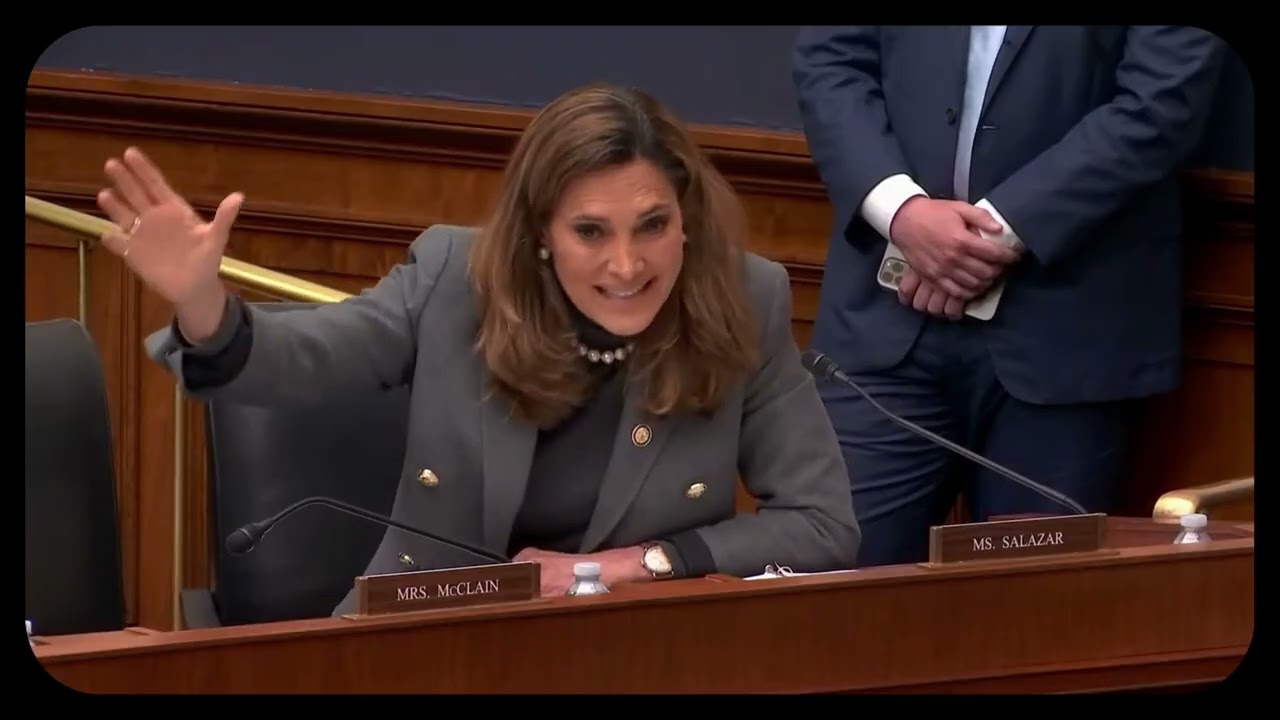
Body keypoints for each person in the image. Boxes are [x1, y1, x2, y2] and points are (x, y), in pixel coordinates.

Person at [93, 83, 861, 609]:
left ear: (685, 221)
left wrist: (635, 566)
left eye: (652, 226)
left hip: (633, 653)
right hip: (431, 643)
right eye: (590, 231)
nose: (628, 265)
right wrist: (203, 304)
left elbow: (823, 524)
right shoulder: (455, 278)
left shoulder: (742, 296)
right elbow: (311, 358)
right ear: (540, 234)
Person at [791, 26, 1227, 566]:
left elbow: (1162, 100)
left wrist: (985, 240)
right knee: (825, 592)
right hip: (885, 328)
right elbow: (830, 59)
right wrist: (901, 213)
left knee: (1028, 613)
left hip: (1064, 338)